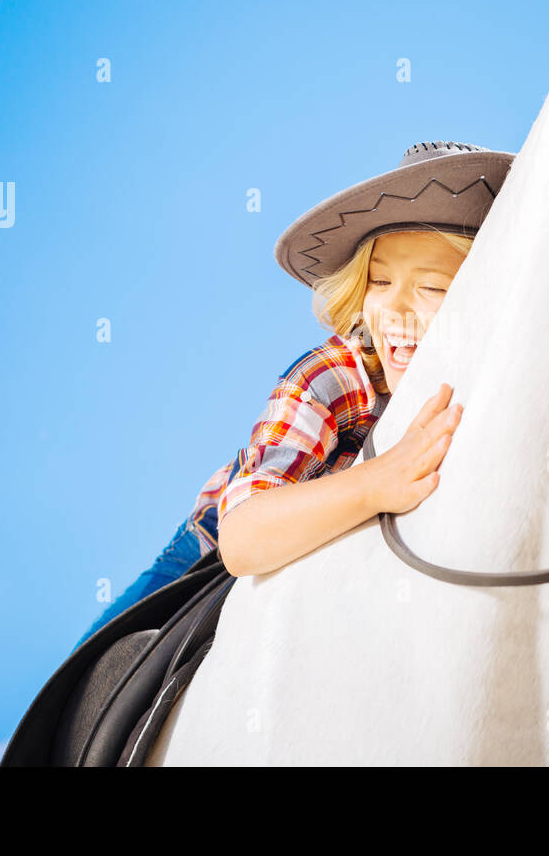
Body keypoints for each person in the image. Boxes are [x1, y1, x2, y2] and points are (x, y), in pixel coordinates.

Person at [73, 140, 515, 650]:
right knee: (90, 673)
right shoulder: (335, 375)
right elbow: (243, 538)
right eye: (379, 280)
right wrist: (379, 481)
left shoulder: (497, 384)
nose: (393, 308)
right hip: (211, 548)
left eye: (432, 288)